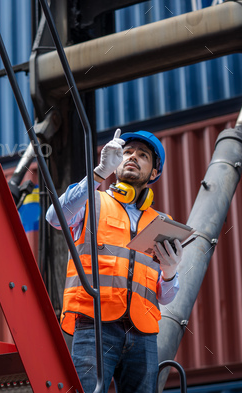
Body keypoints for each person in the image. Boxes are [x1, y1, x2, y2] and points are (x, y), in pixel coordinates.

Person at [46, 129, 183, 393]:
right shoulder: (91, 201)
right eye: (127, 152)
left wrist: (170, 272)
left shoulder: (160, 223)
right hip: (96, 324)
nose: (133, 157)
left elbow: (165, 297)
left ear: (154, 173)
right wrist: (98, 171)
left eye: (143, 155)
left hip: (143, 333)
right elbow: (55, 217)